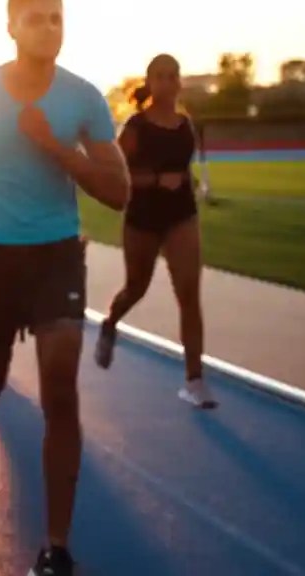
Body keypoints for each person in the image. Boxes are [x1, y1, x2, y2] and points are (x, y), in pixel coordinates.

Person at [0, 0, 130, 576]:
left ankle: (55, 548)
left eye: (57, 18)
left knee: (59, 389)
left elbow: (118, 191)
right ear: (11, 28)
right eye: (36, 19)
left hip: (55, 256)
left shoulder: (83, 99)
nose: (49, 28)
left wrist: (58, 148)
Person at [95, 54, 217, 408]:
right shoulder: (136, 127)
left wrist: (190, 184)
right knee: (136, 287)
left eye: (172, 75)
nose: (167, 82)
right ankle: (110, 322)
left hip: (181, 216)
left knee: (189, 294)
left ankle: (194, 381)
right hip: (143, 218)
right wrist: (154, 180)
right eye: (160, 76)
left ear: (179, 82)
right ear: (150, 82)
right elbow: (114, 174)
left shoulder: (185, 126)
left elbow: (183, 170)